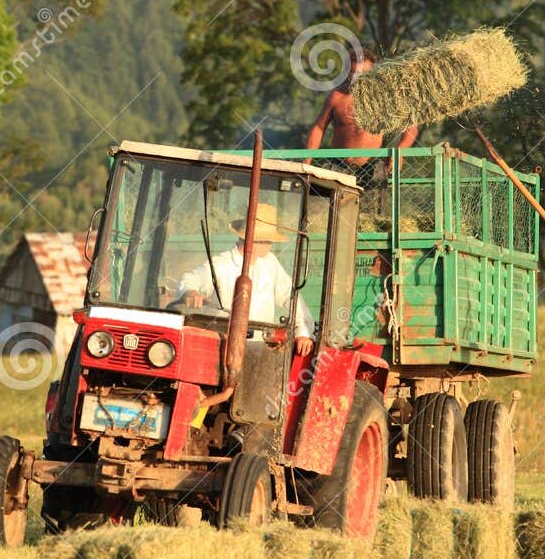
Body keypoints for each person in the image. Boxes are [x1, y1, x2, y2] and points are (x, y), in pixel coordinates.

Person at [176, 208, 313, 356]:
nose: (270, 244)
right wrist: (191, 292)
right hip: (220, 347)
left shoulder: (270, 263)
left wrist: (303, 332)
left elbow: (290, 296)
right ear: (254, 239)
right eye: (268, 240)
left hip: (259, 350)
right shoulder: (221, 264)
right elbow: (190, 279)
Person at [304, 47, 417, 184]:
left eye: (363, 73)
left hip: (371, 167)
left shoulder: (385, 98)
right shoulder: (336, 97)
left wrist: (400, 151)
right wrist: (307, 162)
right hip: (338, 166)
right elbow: (318, 127)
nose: (358, 77)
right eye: (354, 72)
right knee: (332, 204)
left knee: (372, 205)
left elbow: (411, 127)